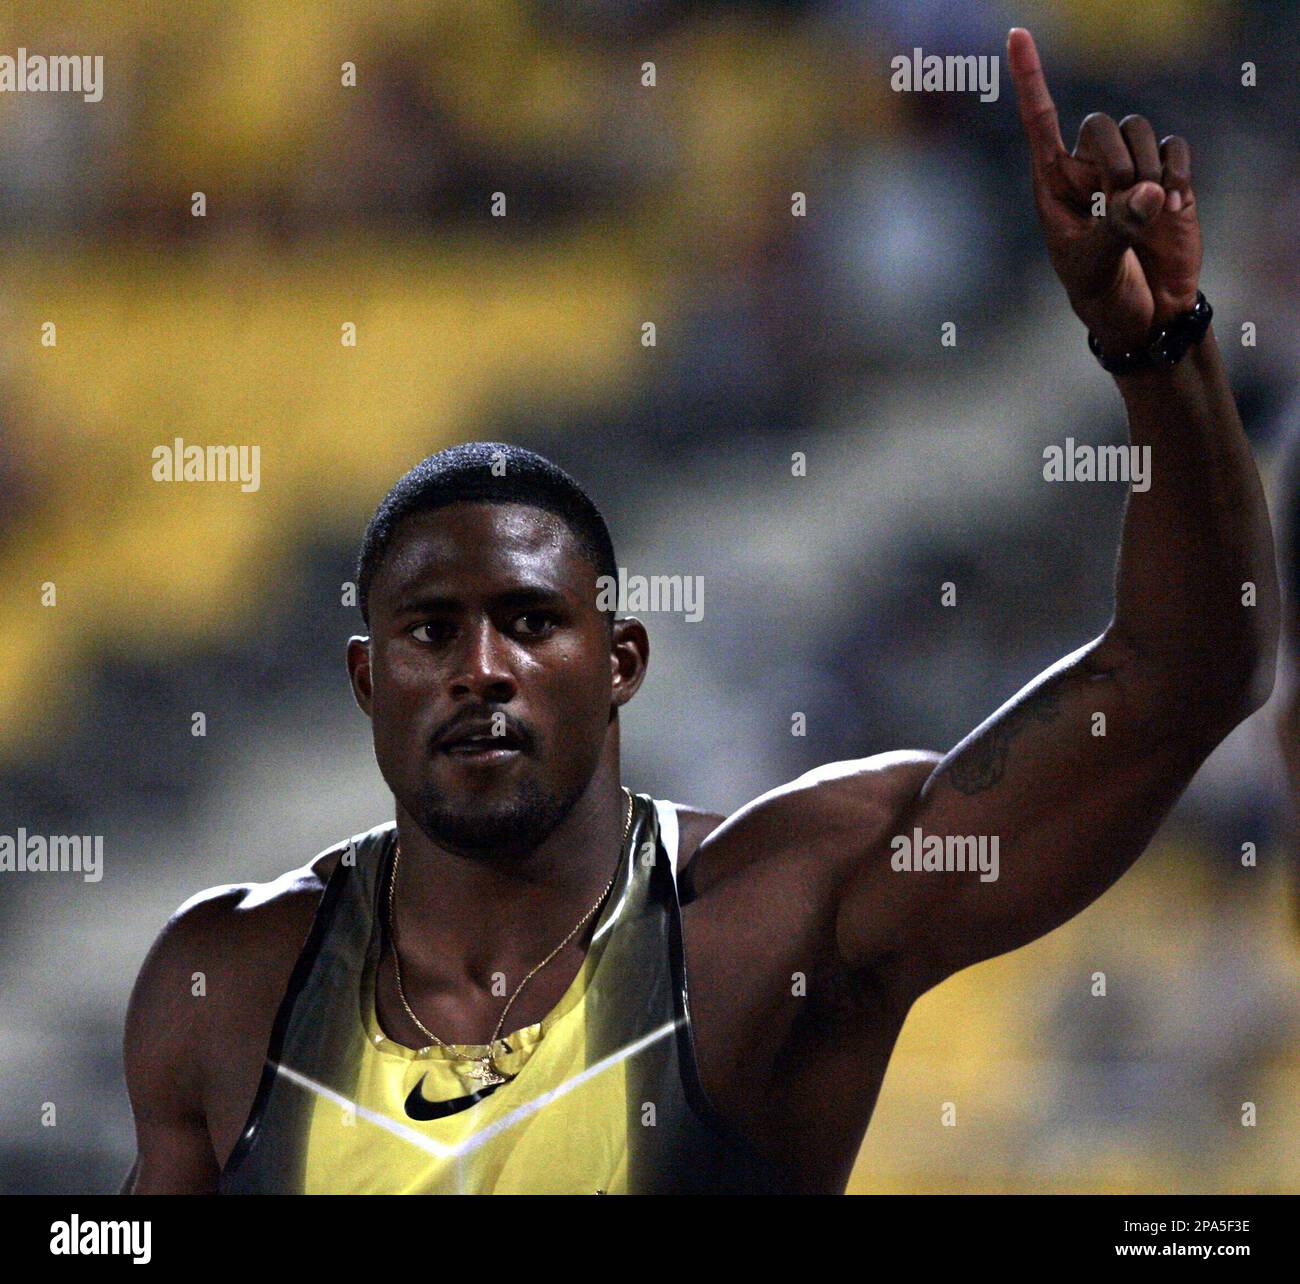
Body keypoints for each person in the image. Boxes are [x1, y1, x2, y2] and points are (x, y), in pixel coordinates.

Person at [120, 29, 1279, 1194]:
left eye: (530, 622)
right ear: (368, 681)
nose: (481, 667)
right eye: (430, 632)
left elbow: (1186, 680)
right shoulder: (227, 982)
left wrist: (1154, 348)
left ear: (621, 658)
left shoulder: (770, 923)